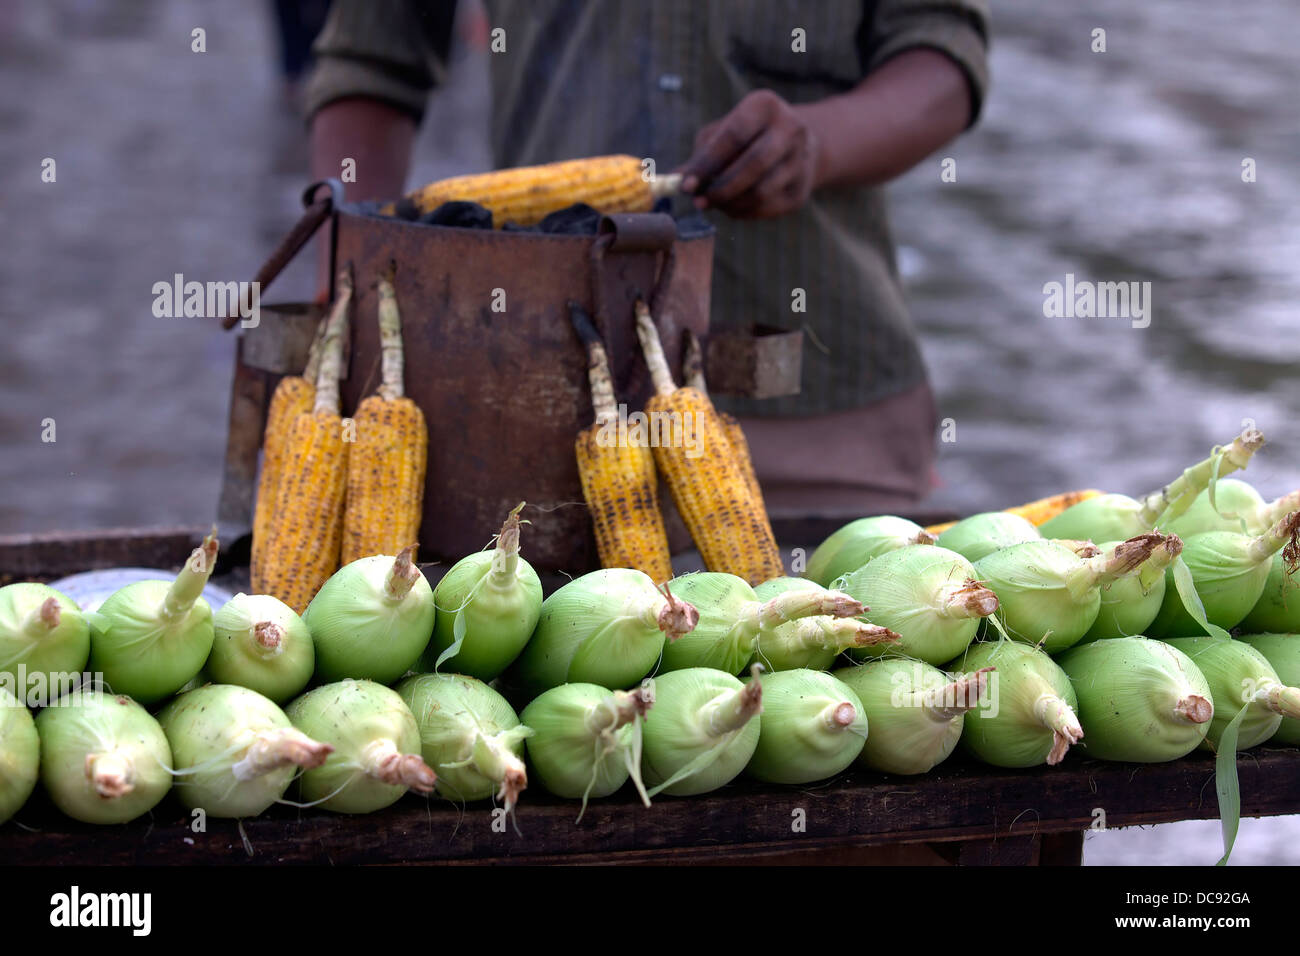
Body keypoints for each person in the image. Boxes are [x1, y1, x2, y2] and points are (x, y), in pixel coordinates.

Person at [304, 0, 990, 521]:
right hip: (532, 408)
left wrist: (819, 142)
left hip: (821, 407)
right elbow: (372, 60)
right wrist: (354, 283)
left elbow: (942, 51)